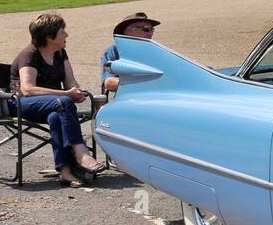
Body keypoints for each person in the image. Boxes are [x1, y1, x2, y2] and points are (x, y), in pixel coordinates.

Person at [12, 12, 106, 187]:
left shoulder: (60, 52)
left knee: (57, 116)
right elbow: (27, 89)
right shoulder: (30, 54)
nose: (67, 34)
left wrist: (75, 92)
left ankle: (65, 172)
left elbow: (70, 81)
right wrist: (66, 94)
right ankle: (81, 153)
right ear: (49, 36)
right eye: (63, 31)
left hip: (54, 106)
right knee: (63, 102)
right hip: (23, 104)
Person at [101, 12, 161, 94]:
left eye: (152, 29)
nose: (150, 33)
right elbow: (109, 83)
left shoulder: (155, 49)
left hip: (157, 95)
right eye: (146, 29)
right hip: (129, 98)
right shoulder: (115, 50)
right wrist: (144, 83)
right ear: (129, 30)